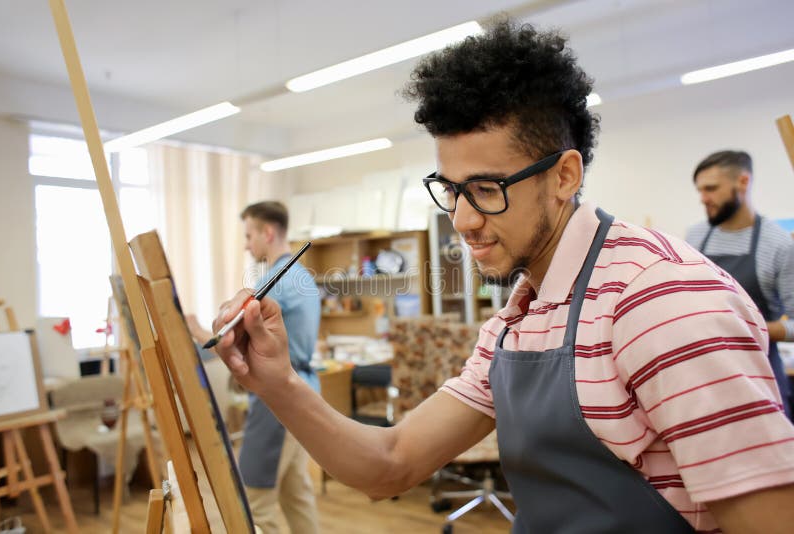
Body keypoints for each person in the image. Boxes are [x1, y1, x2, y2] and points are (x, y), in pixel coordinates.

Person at [213, 21, 794, 533]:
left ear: (565, 176)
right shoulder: (523, 312)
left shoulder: (659, 303)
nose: (463, 220)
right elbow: (392, 461)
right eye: (452, 190)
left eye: (487, 190)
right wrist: (278, 383)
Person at [205, 201, 321, 533]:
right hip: (304, 394)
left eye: (249, 235)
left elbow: (235, 339)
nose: (246, 244)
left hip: (279, 403)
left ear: (267, 232)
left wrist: (196, 329)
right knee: (295, 494)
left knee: (255, 504)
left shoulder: (276, 282)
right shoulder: (301, 277)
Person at [686, 150, 794, 420]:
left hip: (758, 378)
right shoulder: (696, 237)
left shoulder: (778, 245)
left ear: (743, 182)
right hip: (701, 375)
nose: (703, 198)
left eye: (711, 188)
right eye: (700, 190)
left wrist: (745, 325)